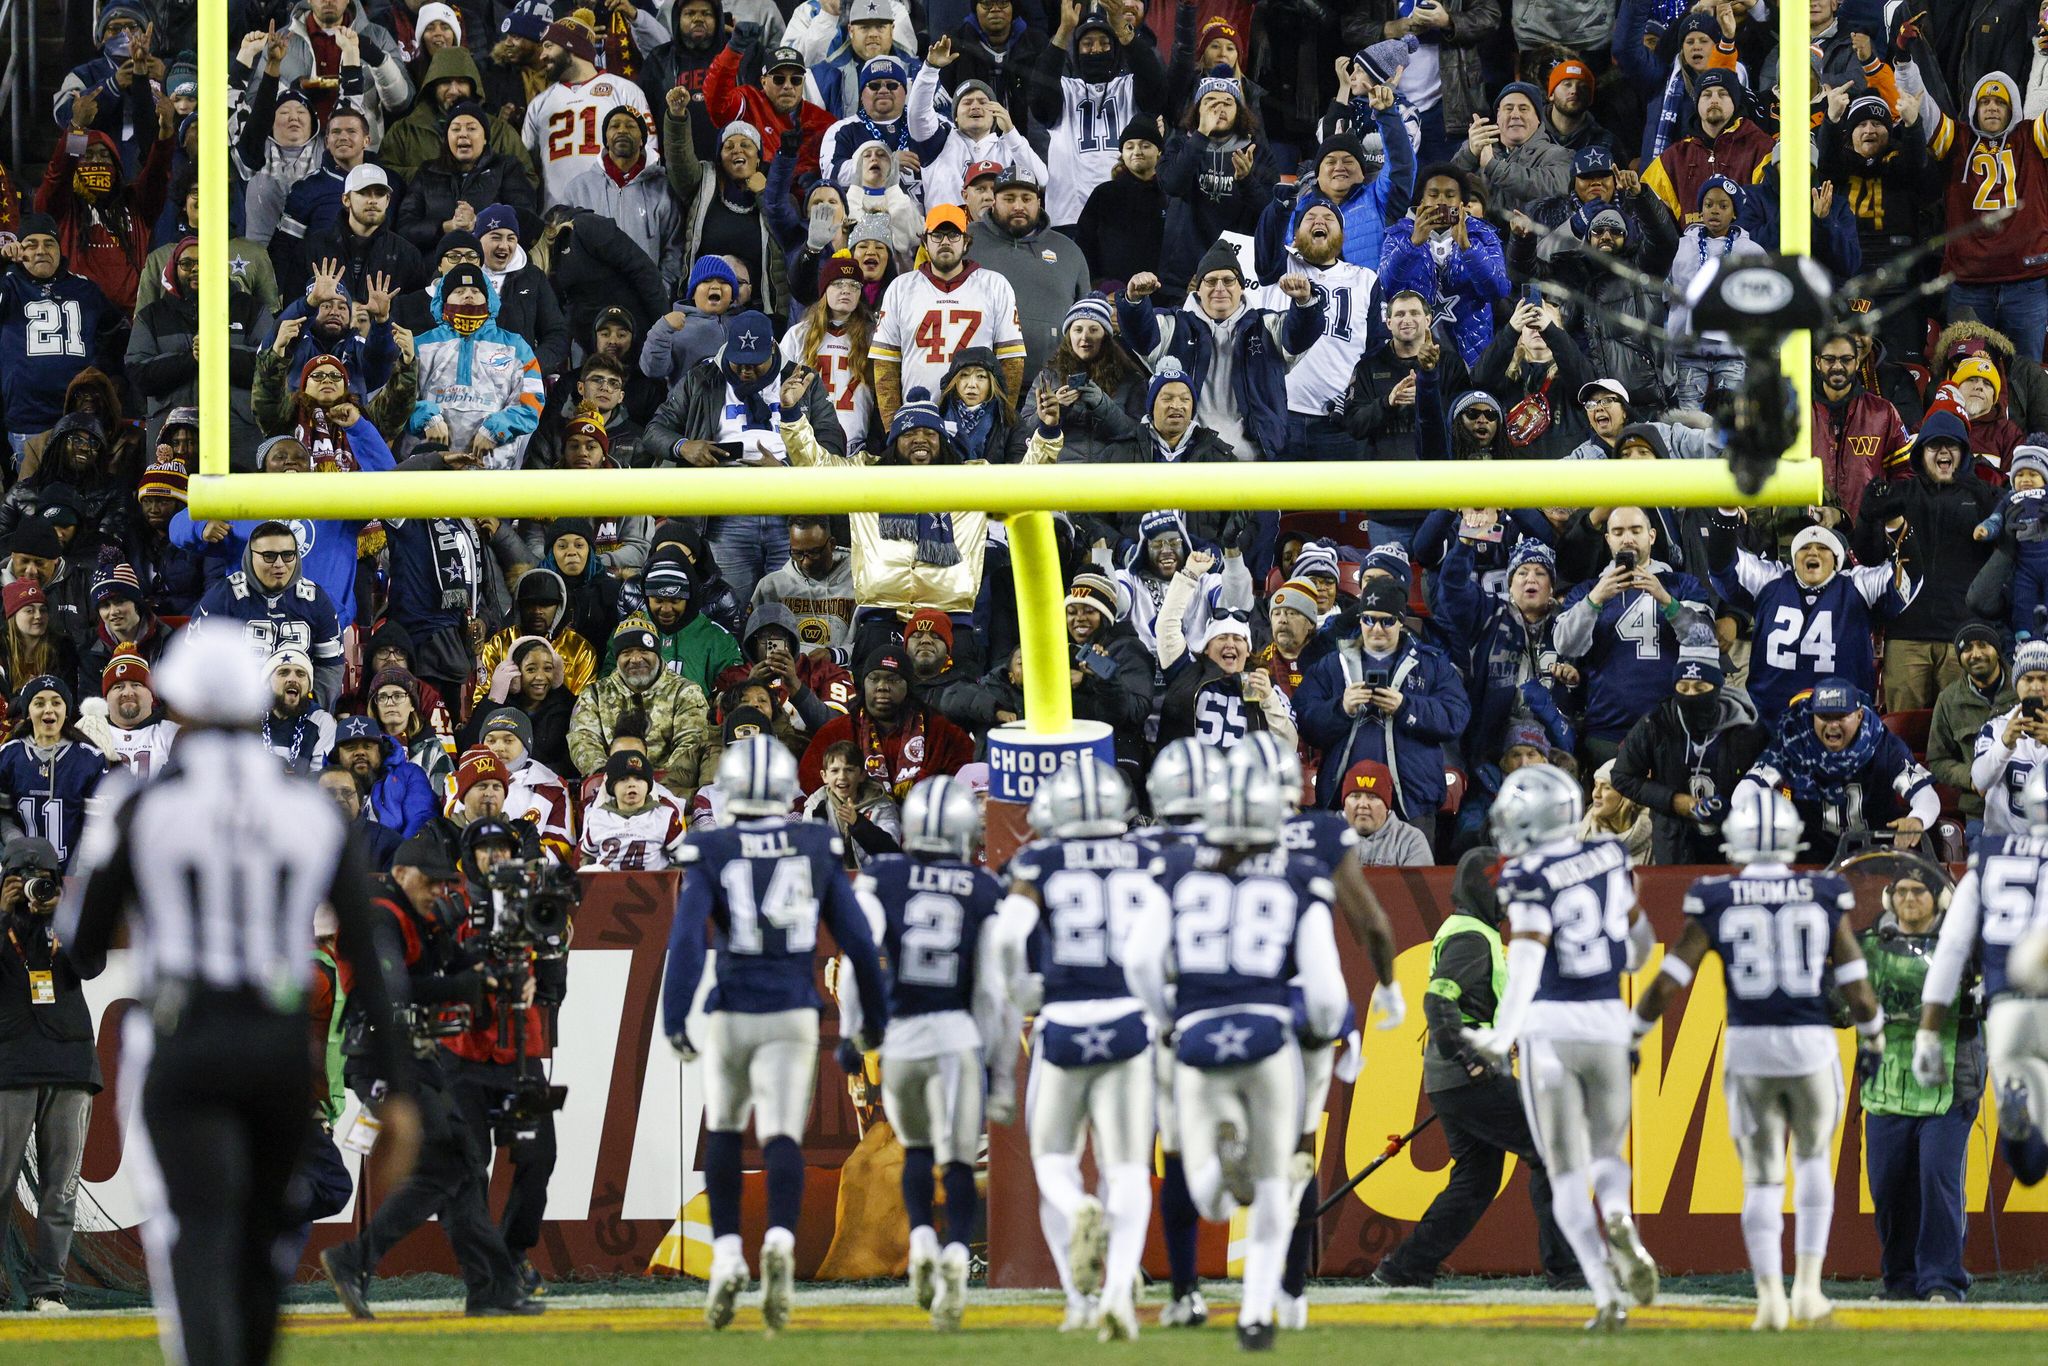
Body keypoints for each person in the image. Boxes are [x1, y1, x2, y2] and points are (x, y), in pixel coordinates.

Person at [58, 625, 419, 1361]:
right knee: (261, 1247)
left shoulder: (142, 803)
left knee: (197, 1232)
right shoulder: (310, 805)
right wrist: (400, 1089)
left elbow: (83, 944)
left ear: (181, 703)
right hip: (278, 1041)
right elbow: (367, 951)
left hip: (187, 1033)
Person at [1632, 786, 1884, 1329]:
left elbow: (1670, 979)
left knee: (1762, 1179)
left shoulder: (1716, 896)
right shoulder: (1820, 891)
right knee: (1813, 1163)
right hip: (1809, 1045)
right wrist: (1874, 1036)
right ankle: (1810, 1291)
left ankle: (1769, 1297)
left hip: (1750, 1048)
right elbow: (1858, 986)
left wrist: (1634, 1033)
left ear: (1734, 838)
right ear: (1793, 835)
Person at [661, 735, 888, 1332]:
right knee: (783, 1133)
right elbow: (859, 942)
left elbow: (687, 940)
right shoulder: (815, 842)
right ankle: (781, 1243)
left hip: (733, 1010)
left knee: (727, 1133)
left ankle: (731, 1256)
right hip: (792, 1010)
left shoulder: (710, 846)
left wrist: (674, 1012)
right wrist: (874, 1020)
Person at [1124, 761, 1347, 1350]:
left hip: (1198, 1035)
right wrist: (1323, 1032)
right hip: (1270, 1036)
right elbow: (1326, 989)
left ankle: (1221, 1172)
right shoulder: (1299, 873)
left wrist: (1171, 1018)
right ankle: (1255, 1313)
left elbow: (1141, 963)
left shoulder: (1171, 867)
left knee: (1203, 1192)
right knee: (1276, 1183)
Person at [1466, 764, 1659, 1331]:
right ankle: (1620, 1214)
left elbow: (1526, 956)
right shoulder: (1609, 856)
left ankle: (1606, 1296)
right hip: (1607, 1022)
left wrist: (1503, 1032)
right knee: (1607, 1155)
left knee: (1565, 1170)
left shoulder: (1524, 873)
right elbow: (1639, 946)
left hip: (1550, 1026)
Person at [319, 829, 535, 1320]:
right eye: (431, 882)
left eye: (444, 882)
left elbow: (465, 966)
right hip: (379, 1056)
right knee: (444, 1164)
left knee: (464, 1164)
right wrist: (464, 981)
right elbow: (395, 990)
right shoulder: (381, 916)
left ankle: (491, 1289)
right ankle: (354, 1258)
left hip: (415, 1057)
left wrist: (501, 973)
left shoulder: (421, 919)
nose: (440, 890)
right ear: (400, 875)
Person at [992, 759, 1152, 1336]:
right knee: (1127, 1168)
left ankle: (1078, 1295)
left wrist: (1023, 989)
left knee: (1054, 1163)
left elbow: (1007, 936)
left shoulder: (1039, 859)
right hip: (1130, 1022)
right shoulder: (1150, 856)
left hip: (1062, 1022)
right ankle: (1117, 1296)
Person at [1372, 844, 1577, 1290]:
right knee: (1551, 1148)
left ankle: (1405, 1267)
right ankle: (1568, 1272)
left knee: (1477, 1179)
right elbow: (1438, 1000)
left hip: (1454, 1077)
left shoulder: (1468, 930)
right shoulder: (1471, 937)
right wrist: (1468, 1058)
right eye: (1504, 889)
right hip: (1467, 1073)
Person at [854, 774, 1014, 1331]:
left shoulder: (884, 876)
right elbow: (994, 989)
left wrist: (860, 1034)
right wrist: (1000, 1065)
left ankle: (922, 1239)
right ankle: (952, 1258)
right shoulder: (984, 887)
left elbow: (857, 957)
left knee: (916, 1148)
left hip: (901, 1035)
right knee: (958, 1157)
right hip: (955, 1033)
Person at [1862, 867, 1983, 1303]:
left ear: (1941, 900)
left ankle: (1942, 1282)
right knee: (1887, 1186)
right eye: (1902, 891)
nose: (1909, 899)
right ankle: (1900, 1282)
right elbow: (1841, 1004)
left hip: (1948, 1087)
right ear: (1887, 898)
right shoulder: (1867, 945)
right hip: (1886, 1086)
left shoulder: (1966, 948)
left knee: (1937, 1181)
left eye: (1920, 892)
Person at [0, 835, 104, 1313]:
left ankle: (48, 1289)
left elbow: (91, 964)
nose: (30, 890)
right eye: (18, 879)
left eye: (39, 879)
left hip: (70, 1062)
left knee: (60, 1188)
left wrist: (63, 914)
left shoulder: (69, 920)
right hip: (11, 1065)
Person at [1706, 518, 1919, 721]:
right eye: (1805, 548)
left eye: (1823, 547)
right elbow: (1722, 565)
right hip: (1771, 724)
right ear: (1794, 557)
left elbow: (1908, 580)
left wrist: (1896, 524)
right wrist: (1725, 516)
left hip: (1843, 725)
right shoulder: (1771, 580)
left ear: (1837, 559)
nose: (1813, 551)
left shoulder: (1858, 586)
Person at [1554, 506, 1712, 767]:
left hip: (1672, 730)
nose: (1627, 538)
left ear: (1651, 536)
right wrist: (1595, 600)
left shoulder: (1682, 585)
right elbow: (1565, 644)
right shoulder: (1588, 590)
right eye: (1618, 531)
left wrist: (1666, 600)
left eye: (1635, 530)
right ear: (1608, 540)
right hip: (1606, 731)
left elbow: (1705, 640)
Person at [1740, 678, 1941, 861]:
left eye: (1841, 716)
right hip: (1812, 857)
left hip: (1876, 853)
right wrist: (1758, 815)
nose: (1832, 725)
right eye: (1824, 717)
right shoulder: (1793, 743)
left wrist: (1917, 818)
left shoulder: (1884, 744)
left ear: (1859, 715)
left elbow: (1925, 795)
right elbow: (1747, 787)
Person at [1610, 643, 1768, 864]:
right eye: (1683, 688)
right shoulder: (1656, 722)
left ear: (1717, 687)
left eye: (1700, 688)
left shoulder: (1749, 728)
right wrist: (1675, 801)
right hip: (1675, 841)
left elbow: (1769, 779)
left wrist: (1737, 805)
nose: (1691, 695)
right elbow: (1622, 776)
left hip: (1736, 841)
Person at [871, 204, 1028, 425]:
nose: (945, 242)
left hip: (978, 421)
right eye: (937, 235)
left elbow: (1011, 360)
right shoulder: (900, 287)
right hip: (916, 422)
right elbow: (886, 364)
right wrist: (893, 427)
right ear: (925, 241)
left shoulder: (995, 285)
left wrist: (1003, 423)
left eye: (953, 234)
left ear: (966, 241)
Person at [519, 15, 652, 204]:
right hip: (557, 219)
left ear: (570, 45)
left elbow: (650, 155)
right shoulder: (539, 103)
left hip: (615, 212)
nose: (542, 55)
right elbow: (525, 168)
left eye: (549, 46)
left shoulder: (625, 90)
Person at [1929, 622, 2017, 829]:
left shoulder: (2026, 688)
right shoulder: (1948, 700)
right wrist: (1972, 779)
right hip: (1980, 811)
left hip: (2030, 807)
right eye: (1967, 649)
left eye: (1983, 645)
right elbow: (1938, 760)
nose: (1975, 654)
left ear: (1997, 649)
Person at [1971, 639, 2048, 835]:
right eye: (2028, 679)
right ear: (2017, 684)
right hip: (2004, 847)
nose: (2037, 687)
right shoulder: (1995, 729)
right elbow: (1980, 781)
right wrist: (2005, 744)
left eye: (2044, 679)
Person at [580, 749, 688, 870]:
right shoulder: (597, 817)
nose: (632, 784)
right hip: (608, 887)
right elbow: (588, 856)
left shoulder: (665, 817)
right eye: (623, 779)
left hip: (653, 887)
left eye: (638, 778)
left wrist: (667, 881)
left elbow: (683, 859)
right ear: (611, 786)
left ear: (649, 784)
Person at [1338, 758, 1432, 866]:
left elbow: (1418, 883)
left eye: (1372, 797)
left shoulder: (1410, 839)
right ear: (1344, 804)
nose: (1363, 804)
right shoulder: (1325, 834)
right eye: (1355, 796)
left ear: (1387, 806)